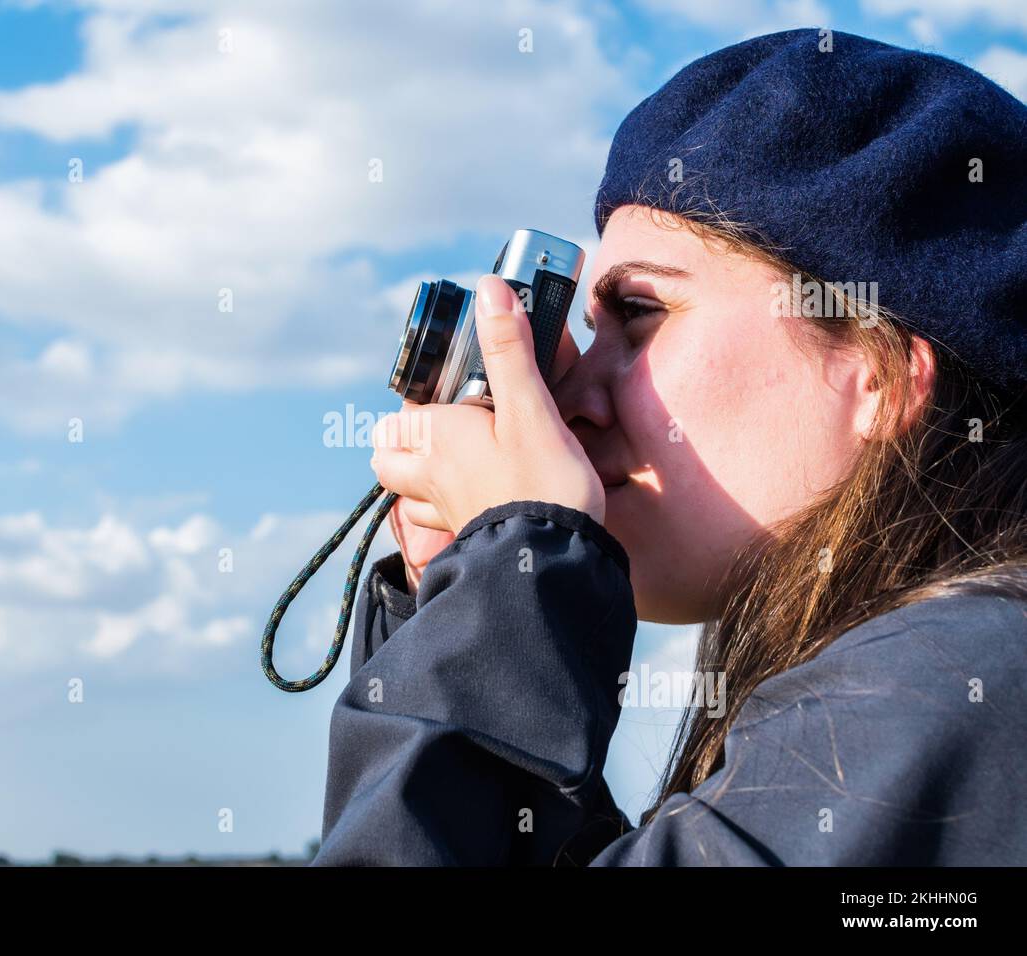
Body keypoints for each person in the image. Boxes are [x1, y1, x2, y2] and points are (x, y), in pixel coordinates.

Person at [311, 28, 1027, 866]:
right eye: (588, 332)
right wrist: (466, 602)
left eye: (641, 315)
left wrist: (510, 586)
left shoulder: (952, 690)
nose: (572, 404)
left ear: (879, 377)